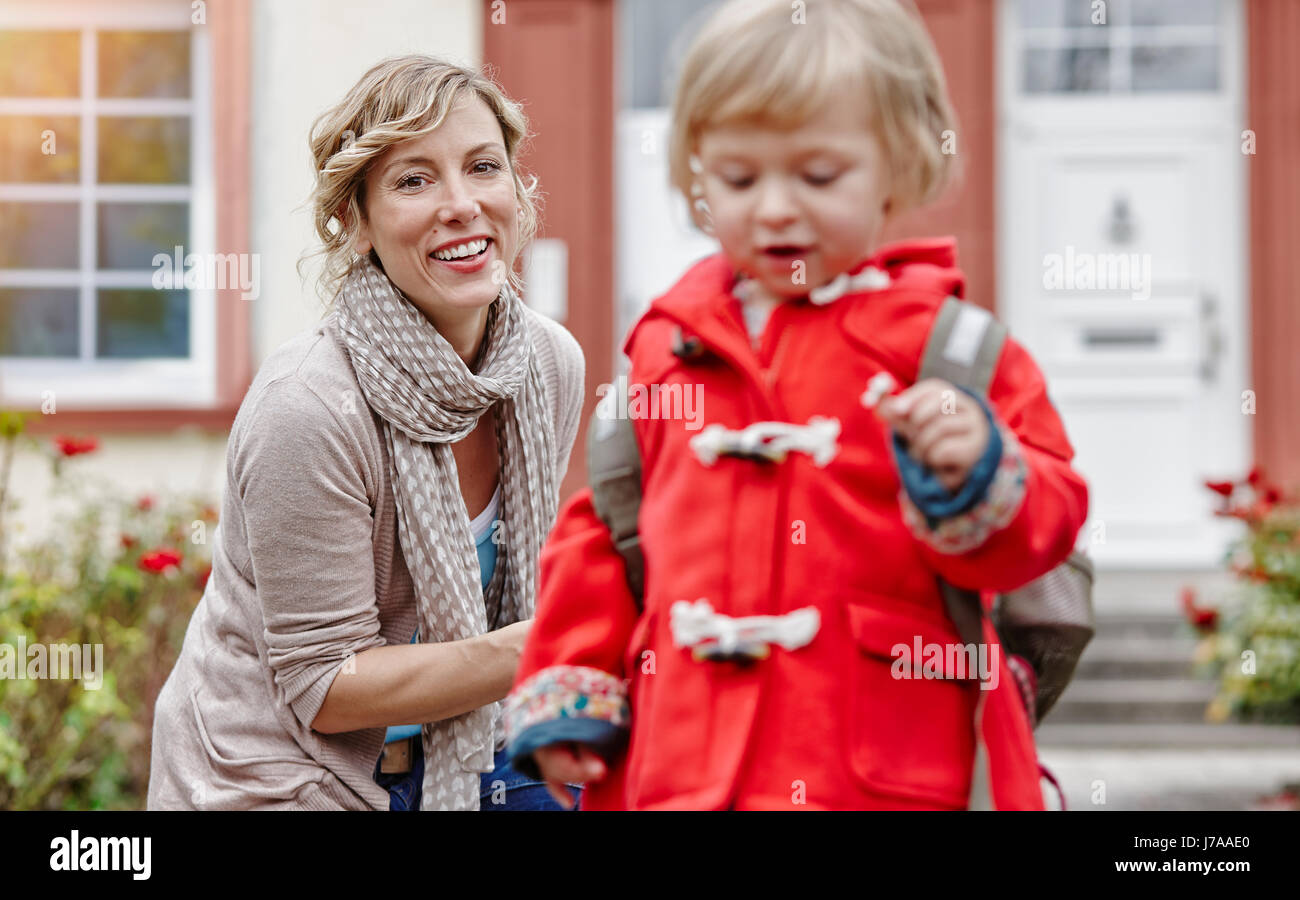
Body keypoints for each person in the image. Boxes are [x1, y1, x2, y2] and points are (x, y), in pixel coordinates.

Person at [502, 0, 1089, 810]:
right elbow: (606, 528)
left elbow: (1048, 526)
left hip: (883, 770)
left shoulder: (954, 352)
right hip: (682, 766)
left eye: (818, 176)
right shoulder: (667, 348)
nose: (776, 206)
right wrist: (573, 684)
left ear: (901, 163)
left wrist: (978, 468)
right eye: (739, 178)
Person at [147, 56, 585, 811]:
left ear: (517, 190)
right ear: (355, 224)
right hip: (289, 770)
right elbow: (325, 686)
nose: (461, 205)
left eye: (483, 167)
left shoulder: (548, 364)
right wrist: (548, 645)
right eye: (413, 181)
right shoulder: (309, 407)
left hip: (478, 742)